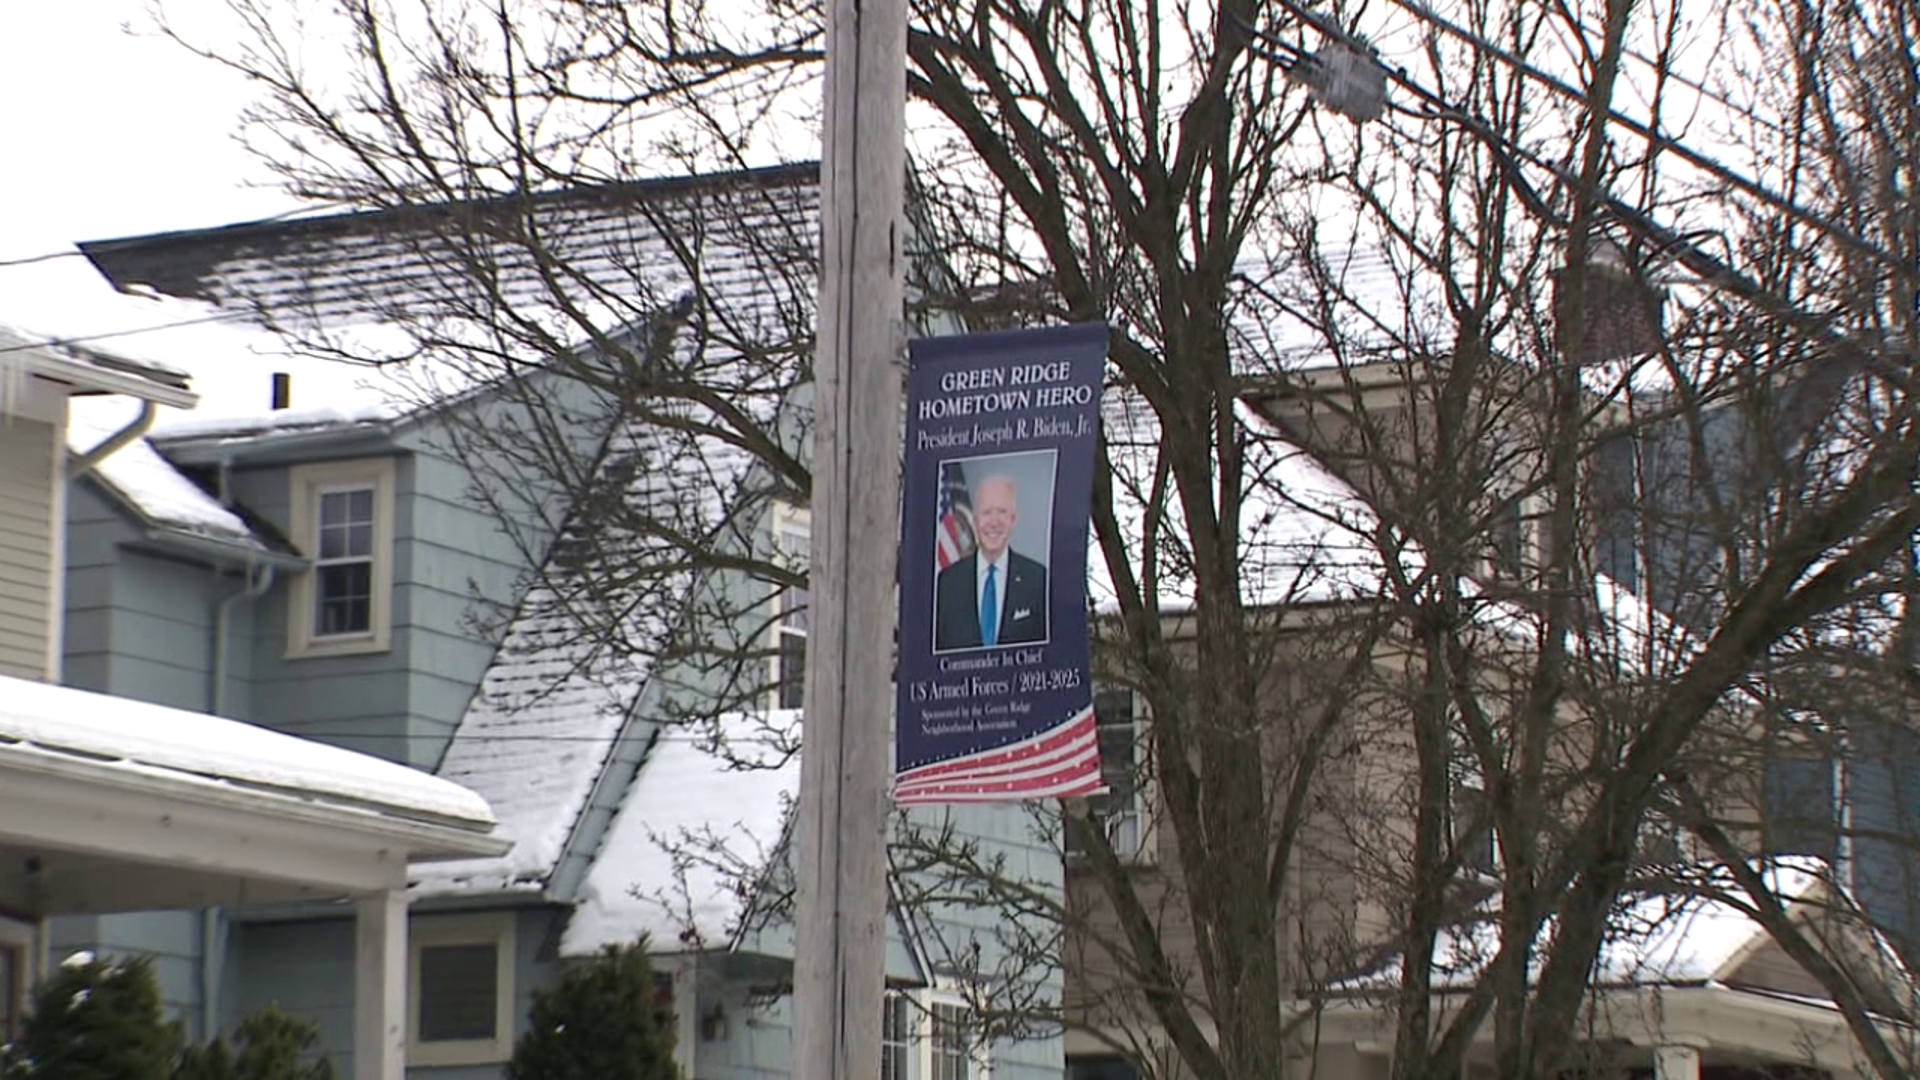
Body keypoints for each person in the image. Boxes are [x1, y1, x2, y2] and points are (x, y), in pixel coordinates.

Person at [935, 474, 1048, 650]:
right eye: (986, 512)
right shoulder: (947, 583)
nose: (994, 522)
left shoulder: (1038, 580)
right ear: (975, 520)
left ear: (1013, 520)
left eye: (1002, 512)